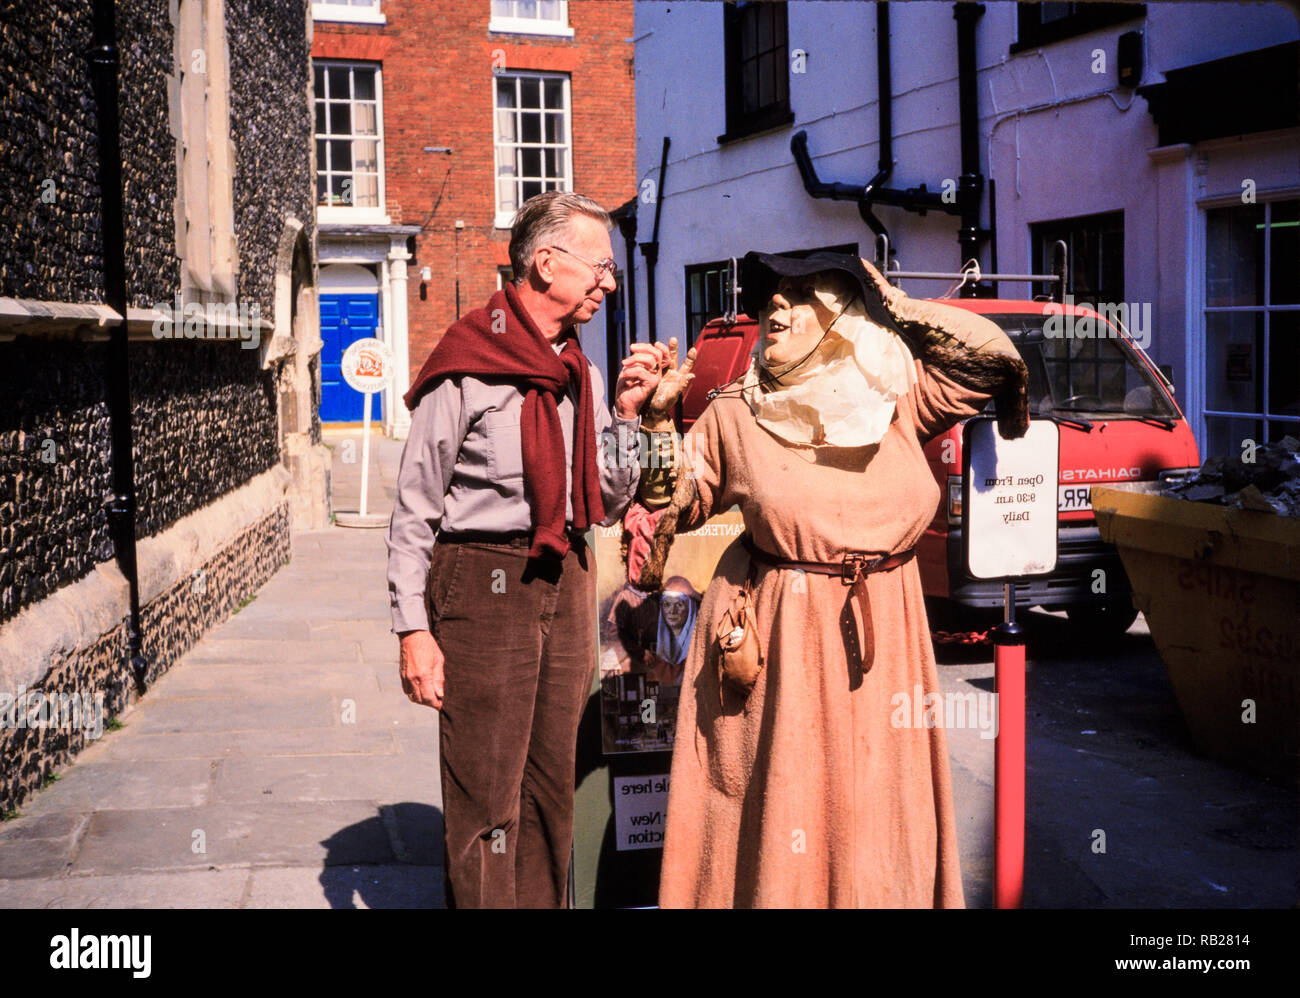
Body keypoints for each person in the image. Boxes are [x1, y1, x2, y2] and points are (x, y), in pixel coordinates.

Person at [638, 251, 1029, 908]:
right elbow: (666, 505)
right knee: (788, 809)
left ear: (843, 312)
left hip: (890, 635)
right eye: (771, 298)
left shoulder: (896, 394)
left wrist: (900, 308)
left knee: (883, 811)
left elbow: (994, 361)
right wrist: (655, 426)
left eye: (799, 292)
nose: (778, 308)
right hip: (784, 637)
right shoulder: (739, 408)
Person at [385, 191, 672, 908]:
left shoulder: (583, 372)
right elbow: (415, 506)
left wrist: (629, 417)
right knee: (486, 788)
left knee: (552, 784)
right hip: (482, 581)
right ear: (546, 264)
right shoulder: (464, 363)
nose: (608, 283)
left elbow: (605, 501)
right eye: (599, 267)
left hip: (566, 578)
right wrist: (412, 629)